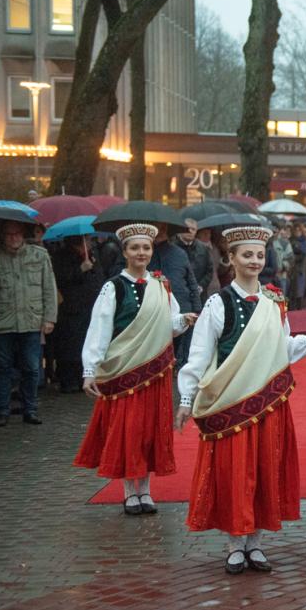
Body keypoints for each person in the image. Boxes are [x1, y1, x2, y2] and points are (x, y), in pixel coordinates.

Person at [175, 226, 306, 573]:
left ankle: (256, 542)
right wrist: (187, 398)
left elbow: (282, 349)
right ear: (230, 259)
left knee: (264, 471)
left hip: (269, 404)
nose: (255, 261)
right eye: (247, 255)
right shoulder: (218, 303)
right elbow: (199, 355)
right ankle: (235, 543)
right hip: (230, 404)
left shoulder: (275, 302)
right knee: (235, 473)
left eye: (260, 255)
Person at [74, 224, 196, 514]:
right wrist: (90, 368)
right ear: (125, 252)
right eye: (135, 248)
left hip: (155, 372)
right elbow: (100, 329)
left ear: (152, 251)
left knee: (150, 431)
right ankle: (130, 492)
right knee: (129, 431)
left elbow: (168, 324)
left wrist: (183, 321)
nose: (141, 253)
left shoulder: (161, 285)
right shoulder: (113, 287)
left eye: (146, 248)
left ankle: (146, 491)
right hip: (124, 371)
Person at [0, 220, 58, 426]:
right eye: (9, 234)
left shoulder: (39, 256)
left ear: (23, 234)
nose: (14, 238)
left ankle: (30, 409)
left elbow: (49, 287)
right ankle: (2, 410)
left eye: (17, 233)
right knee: (3, 368)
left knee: (31, 367)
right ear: (3, 236)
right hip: (3, 321)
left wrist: (49, 318)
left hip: (31, 320)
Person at [50, 235, 105, 393]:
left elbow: (99, 276)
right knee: (69, 347)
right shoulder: (61, 256)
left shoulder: (93, 254)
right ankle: (68, 380)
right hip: (71, 308)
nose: (89, 243)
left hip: (90, 307)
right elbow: (59, 278)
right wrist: (80, 270)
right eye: (86, 240)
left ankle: (84, 377)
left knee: (86, 344)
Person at [149, 224, 200, 367]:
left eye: (163, 230)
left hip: (182, 304)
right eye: (158, 230)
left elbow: (191, 281)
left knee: (182, 349)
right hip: (157, 306)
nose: (160, 233)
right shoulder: (147, 253)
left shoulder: (179, 253)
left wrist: (197, 308)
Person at [173, 218, 212, 366]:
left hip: (197, 295)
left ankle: (186, 362)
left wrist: (201, 285)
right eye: (187, 228)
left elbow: (209, 270)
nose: (190, 232)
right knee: (178, 329)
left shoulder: (203, 248)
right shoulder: (173, 247)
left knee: (193, 330)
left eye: (193, 229)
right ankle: (177, 360)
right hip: (179, 295)